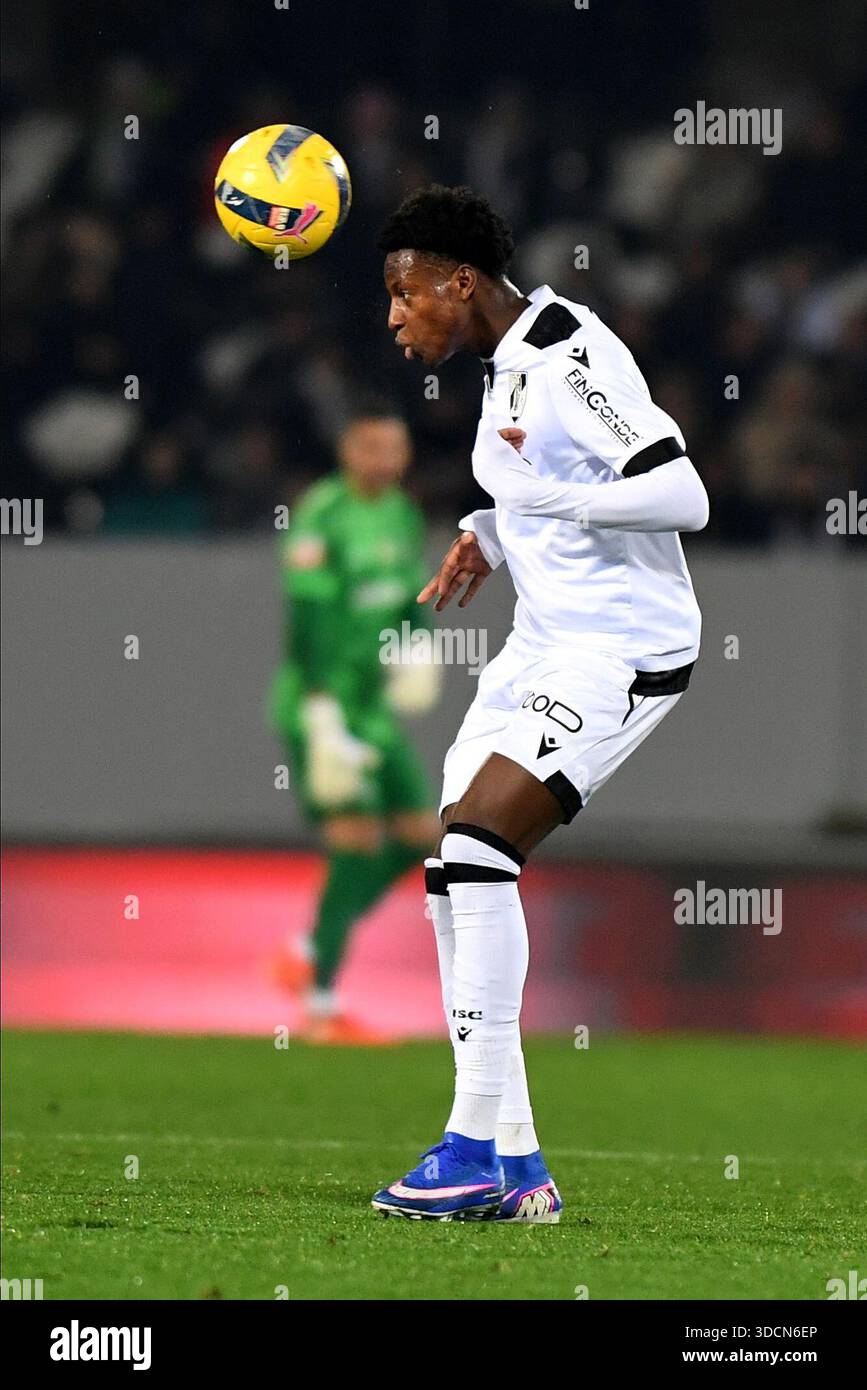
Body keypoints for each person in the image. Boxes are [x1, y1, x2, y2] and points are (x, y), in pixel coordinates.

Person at [370, 185, 709, 1221]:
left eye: (405, 292)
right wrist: (495, 526)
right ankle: (515, 1168)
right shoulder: (506, 361)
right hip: (541, 645)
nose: (394, 316)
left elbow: (682, 490)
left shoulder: (567, 355)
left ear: (460, 281)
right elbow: (533, 475)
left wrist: (553, 504)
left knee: (480, 846)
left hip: (623, 647)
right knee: (450, 871)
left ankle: (469, 1144)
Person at [268, 406, 441, 1043]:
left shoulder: (400, 511)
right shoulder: (321, 513)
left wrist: (421, 642)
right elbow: (306, 615)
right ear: (347, 450)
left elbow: (405, 595)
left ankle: (306, 946)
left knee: (423, 831)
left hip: (372, 708)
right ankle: (320, 1005)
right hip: (323, 703)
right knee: (355, 840)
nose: (384, 460)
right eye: (371, 447)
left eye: (394, 448)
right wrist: (317, 705)